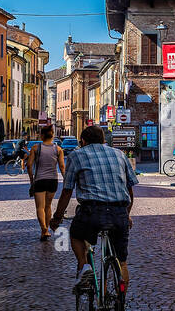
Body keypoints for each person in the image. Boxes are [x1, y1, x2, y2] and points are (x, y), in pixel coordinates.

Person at [50, 124, 139, 292]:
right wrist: (127, 214)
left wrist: (57, 217)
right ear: (103, 140)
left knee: (76, 234)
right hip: (119, 212)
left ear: (82, 141)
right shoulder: (119, 154)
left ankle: (84, 268)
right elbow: (130, 189)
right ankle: (121, 308)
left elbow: (67, 190)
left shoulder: (76, 155)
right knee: (122, 261)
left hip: (92, 212)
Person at [26, 125, 65, 241]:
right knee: (48, 206)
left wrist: (31, 179)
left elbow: (29, 165)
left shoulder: (35, 148)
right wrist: (67, 180)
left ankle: (44, 229)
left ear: (42, 135)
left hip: (40, 180)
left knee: (40, 207)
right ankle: (46, 229)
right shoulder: (58, 149)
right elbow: (62, 167)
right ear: (52, 135)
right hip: (53, 180)